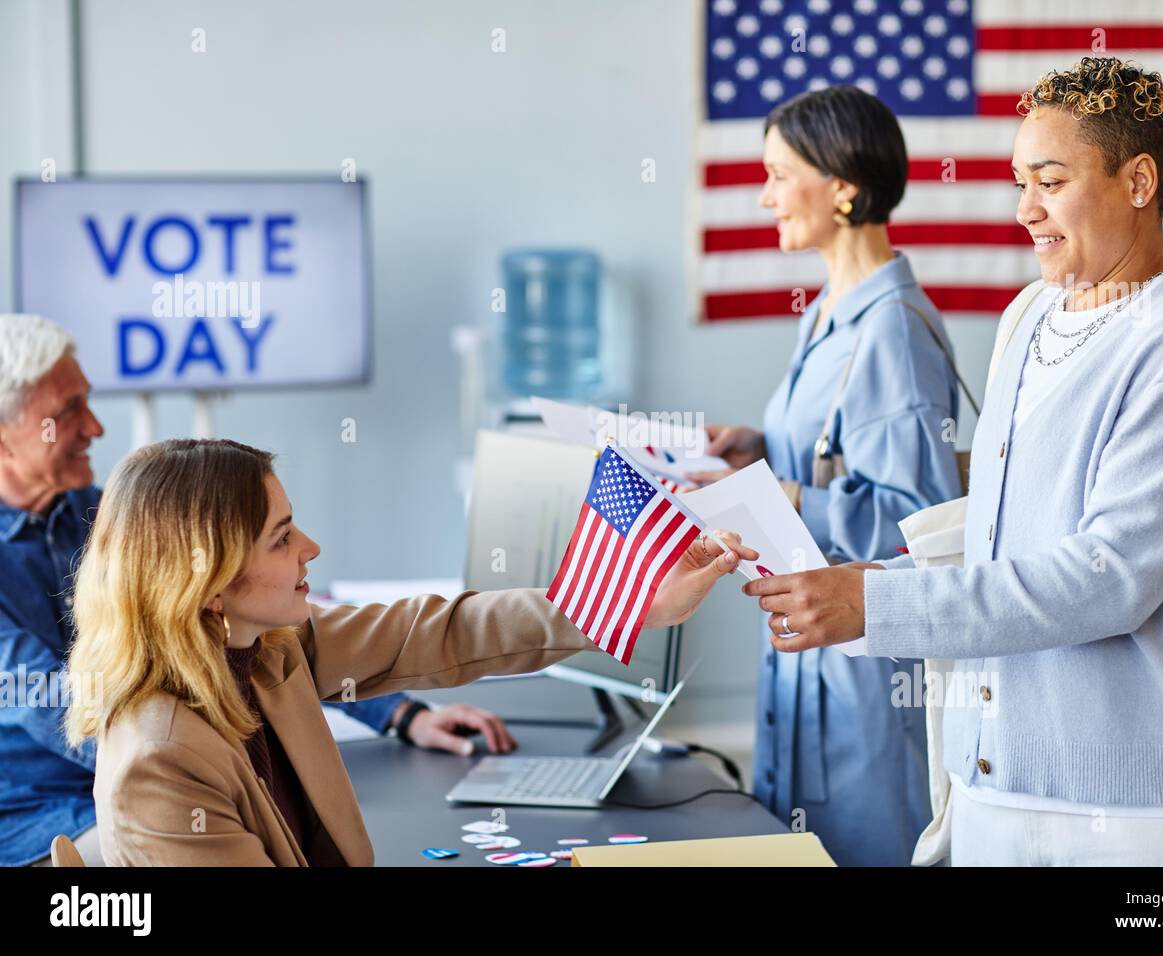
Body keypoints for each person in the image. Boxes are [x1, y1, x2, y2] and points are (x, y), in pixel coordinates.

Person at [742, 57, 1163, 866]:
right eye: (1021, 182)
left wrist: (878, 605)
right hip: (993, 783)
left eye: (1049, 181)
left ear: (1138, 180)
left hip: (1136, 810)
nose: (1026, 210)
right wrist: (866, 565)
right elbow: (1005, 517)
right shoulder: (1028, 314)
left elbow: (1108, 576)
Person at [0, 313, 568, 867]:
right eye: (68, 409)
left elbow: (399, 634)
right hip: (57, 813)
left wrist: (399, 713)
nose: (95, 426)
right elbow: (69, 702)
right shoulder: (160, 754)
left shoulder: (122, 524)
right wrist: (191, 753)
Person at [64, 437, 754, 865]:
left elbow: (440, 632)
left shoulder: (265, 650)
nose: (311, 548)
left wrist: (631, 600)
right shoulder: (159, 760)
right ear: (208, 584)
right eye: (281, 538)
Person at [686, 87, 963, 865]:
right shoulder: (828, 315)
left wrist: (794, 495)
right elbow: (833, 450)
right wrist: (755, 448)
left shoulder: (893, 335)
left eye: (780, 174)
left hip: (865, 675)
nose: (766, 195)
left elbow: (924, 516)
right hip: (807, 653)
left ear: (843, 185)